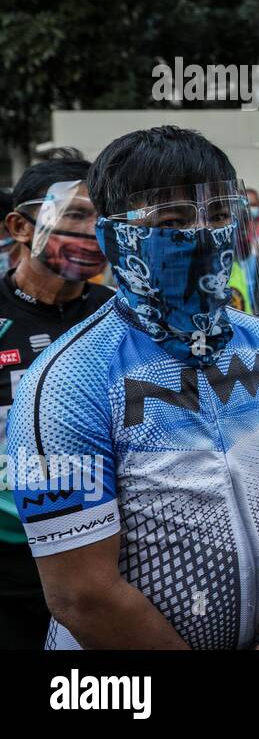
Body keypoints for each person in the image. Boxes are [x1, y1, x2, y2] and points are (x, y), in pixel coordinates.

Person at [4, 126, 259, 649]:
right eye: (171, 221)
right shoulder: (67, 381)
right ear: (112, 240)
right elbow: (81, 593)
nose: (204, 236)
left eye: (220, 215)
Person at [0, 158, 114, 648]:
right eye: (74, 215)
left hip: (102, 556)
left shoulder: (121, 312)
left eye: (101, 218)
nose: (92, 232)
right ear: (20, 226)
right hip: (8, 560)